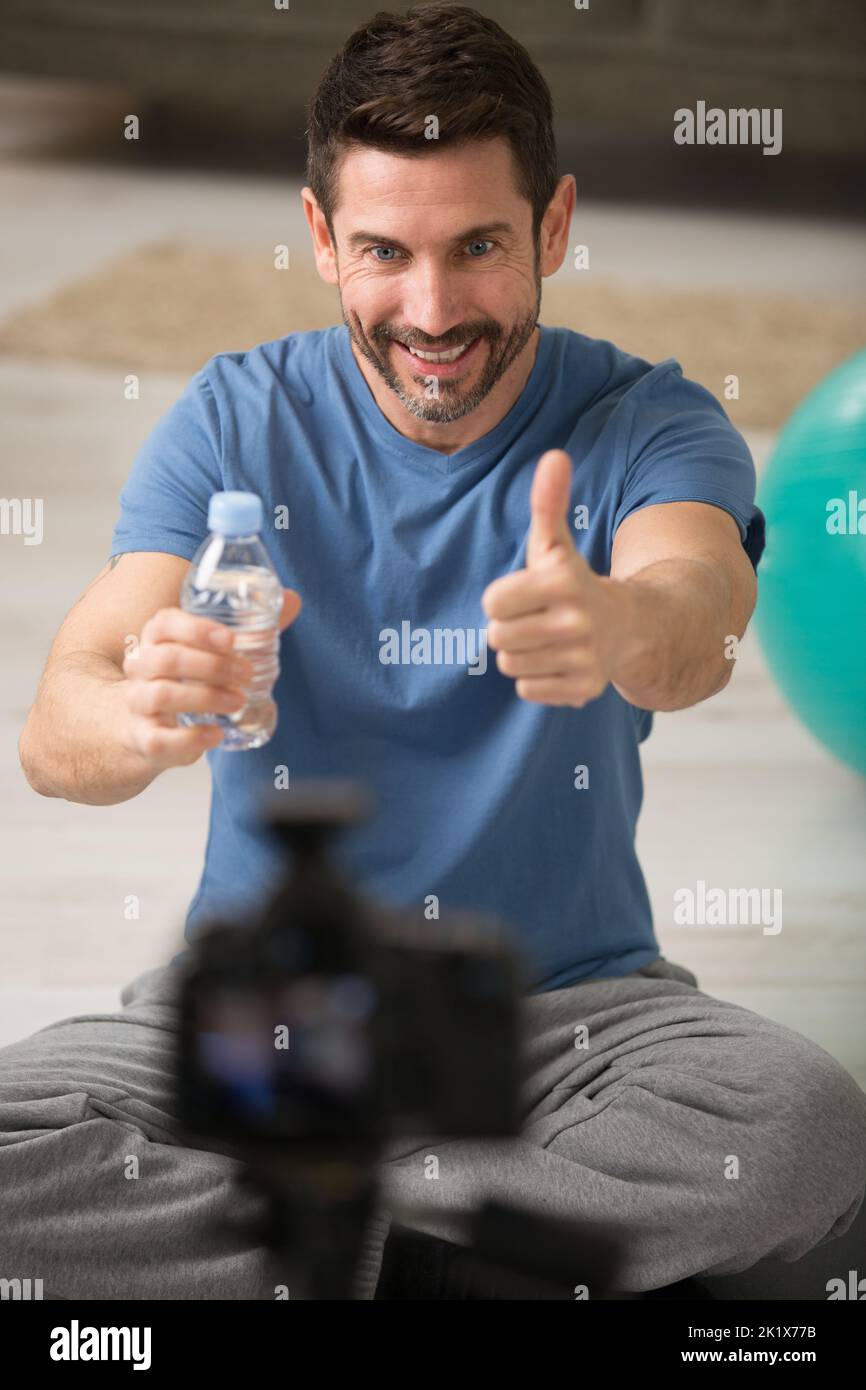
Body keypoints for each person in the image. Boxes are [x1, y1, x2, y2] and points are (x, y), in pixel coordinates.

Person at [10, 4, 866, 1300]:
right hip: (267, 1029)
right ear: (318, 240)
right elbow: (53, 730)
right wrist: (131, 715)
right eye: (382, 251)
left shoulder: (649, 418)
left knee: (798, 1116)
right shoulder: (232, 417)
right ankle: (460, 1258)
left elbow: (696, 611)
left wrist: (622, 621)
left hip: (563, 1018)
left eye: (476, 246)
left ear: (554, 227)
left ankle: (314, 1250)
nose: (430, 309)